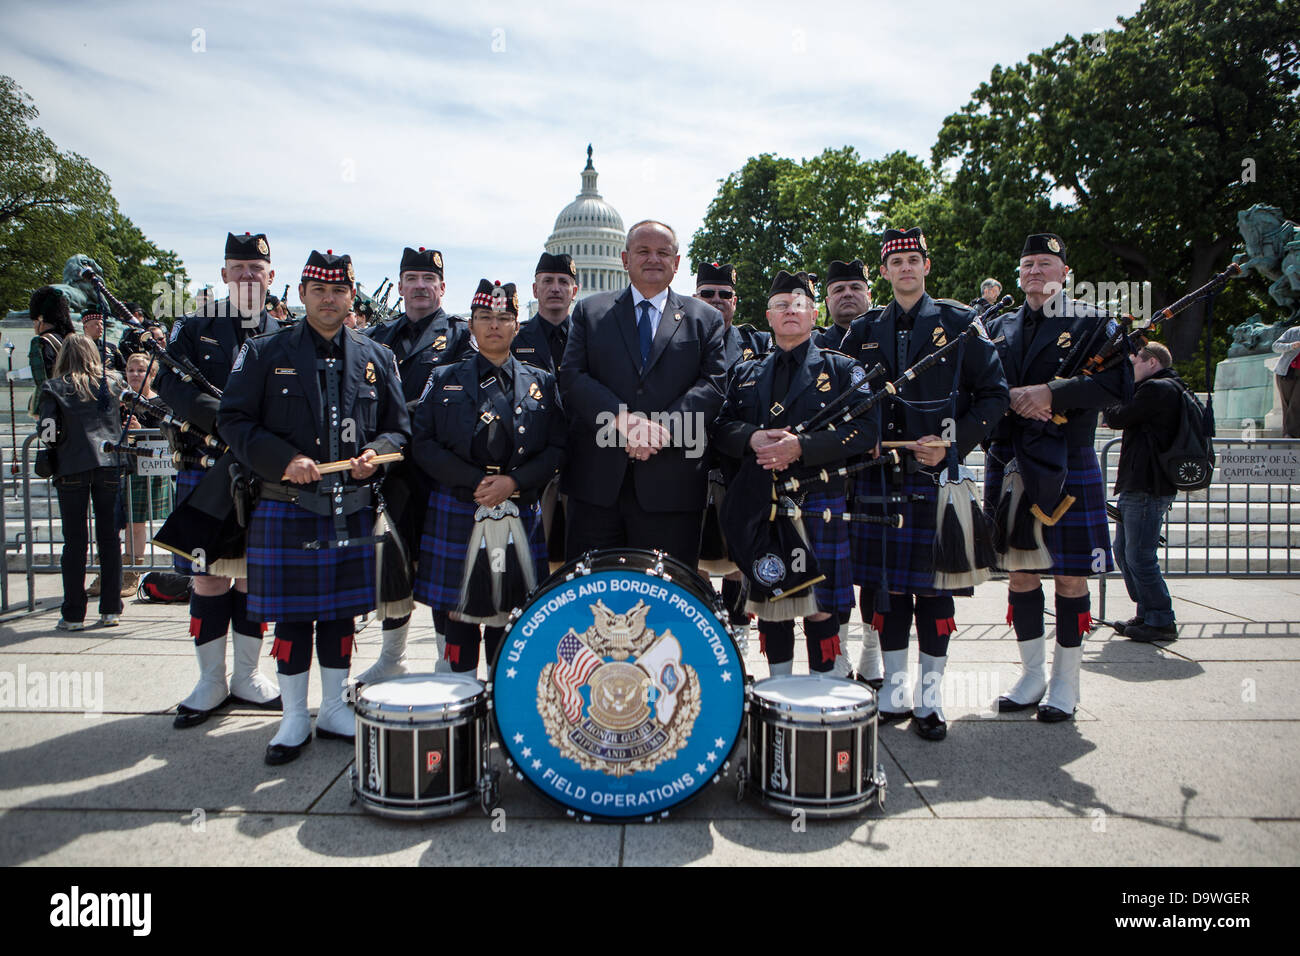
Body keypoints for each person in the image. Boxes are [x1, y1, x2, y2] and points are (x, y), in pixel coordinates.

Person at [219, 249, 410, 765]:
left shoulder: (377, 358)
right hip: (288, 503)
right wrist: (285, 459)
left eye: (339, 290)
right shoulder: (262, 352)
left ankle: (332, 708)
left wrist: (379, 454)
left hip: (349, 504)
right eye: (319, 290)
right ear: (302, 293)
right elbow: (234, 422)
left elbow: (399, 427)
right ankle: (294, 718)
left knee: (341, 615)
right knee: (293, 617)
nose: (330, 299)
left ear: (352, 296)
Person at [839, 227, 1008, 740]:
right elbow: (846, 397)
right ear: (885, 272)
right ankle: (893, 691)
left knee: (936, 596)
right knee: (883, 590)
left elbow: (993, 396)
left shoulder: (960, 324)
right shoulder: (863, 330)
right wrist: (859, 437)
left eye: (914, 259)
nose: (906, 268)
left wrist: (952, 443)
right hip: (877, 477)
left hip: (936, 478)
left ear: (926, 266)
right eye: (897, 262)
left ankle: (931, 700)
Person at [984, 233, 1134, 721]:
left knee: (1071, 578)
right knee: (1021, 573)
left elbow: (1117, 384)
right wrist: (1004, 399)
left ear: (1065, 273)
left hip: (1069, 461)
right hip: (1010, 460)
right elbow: (982, 386)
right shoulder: (998, 325)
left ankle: (1066, 683)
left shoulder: (1093, 323)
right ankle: (1031, 676)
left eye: (1045, 264)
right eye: (1027, 264)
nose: (1034, 272)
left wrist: (1053, 393)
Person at [714, 270, 878, 675]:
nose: (791, 312)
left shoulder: (842, 370)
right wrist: (752, 438)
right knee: (774, 605)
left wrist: (801, 447)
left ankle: (824, 689)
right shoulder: (746, 373)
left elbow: (865, 430)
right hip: (764, 504)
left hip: (817, 498)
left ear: (814, 314)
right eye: (782, 306)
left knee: (822, 609)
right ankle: (779, 690)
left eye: (799, 305)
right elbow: (719, 427)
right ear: (768, 316)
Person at [155, 231, 284, 729]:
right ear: (225, 273)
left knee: (252, 574)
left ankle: (247, 677)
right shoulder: (194, 326)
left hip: (257, 472)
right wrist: (225, 419)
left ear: (270, 277)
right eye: (240, 267)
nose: (249, 275)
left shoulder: (282, 332)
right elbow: (169, 383)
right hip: (205, 466)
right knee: (208, 576)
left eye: (258, 269)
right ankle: (210, 680)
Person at [412, 280, 566, 672]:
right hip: (461, 502)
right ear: (471, 326)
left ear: (517, 325)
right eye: (485, 318)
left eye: (503, 318)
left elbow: (557, 447)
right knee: (459, 614)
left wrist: (513, 482)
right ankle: (462, 695)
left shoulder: (541, 382)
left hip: (518, 505)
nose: (494, 326)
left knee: (511, 611)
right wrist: (473, 481)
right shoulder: (444, 377)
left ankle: (501, 699)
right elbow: (423, 442)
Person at [558, 220, 727, 566]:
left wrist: (659, 430)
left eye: (663, 253)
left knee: (667, 604)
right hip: (597, 489)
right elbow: (573, 377)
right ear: (624, 258)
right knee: (593, 601)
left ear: (677, 263)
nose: (653, 259)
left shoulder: (705, 319)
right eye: (643, 251)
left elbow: (713, 385)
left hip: (673, 487)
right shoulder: (591, 313)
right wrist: (623, 421)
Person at [357, 246, 472, 684]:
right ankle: (392, 657)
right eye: (412, 278)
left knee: (444, 570)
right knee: (393, 566)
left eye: (429, 279)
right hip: (390, 472)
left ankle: (445, 661)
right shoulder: (376, 338)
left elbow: (460, 399)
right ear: (401, 284)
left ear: (442, 288)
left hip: (440, 471)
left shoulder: (461, 335)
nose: (421, 286)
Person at [694, 261, 770, 637]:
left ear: (735, 302)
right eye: (707, 293)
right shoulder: (678, 339)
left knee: (740, 556)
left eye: (725, 295)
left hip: (741, 466)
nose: (716, 301)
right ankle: (708, 635)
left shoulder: (757, 344)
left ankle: (738, 639)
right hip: (691, 466)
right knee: (696, 558)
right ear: (695, 298)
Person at [36, 335, 126, 630]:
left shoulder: (54, 387)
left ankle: (73, 613)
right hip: (108, 463)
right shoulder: (112, 383)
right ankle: (111, 608)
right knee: (109, 539)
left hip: (72, 465)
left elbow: (48, 432)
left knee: (74, 542)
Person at [1102, 341, 1182, 642]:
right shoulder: (1165, 388)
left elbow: (1117, 417)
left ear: (1151, 363)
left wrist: (1107, 392)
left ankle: (1161, 618)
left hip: (1148, 485)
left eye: (1134, 363)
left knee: (1139, 555)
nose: (1130, 370)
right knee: (1124, 552)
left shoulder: (1158, 389)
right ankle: (1147, 612)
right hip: (1144, 483)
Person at [512, 252, 578, 568]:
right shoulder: (515, 339)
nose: (555, 288)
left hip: (580, 464)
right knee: (528, 562)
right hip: (530, 464)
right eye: (547, 281)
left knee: (576, 558)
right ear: (535, 288)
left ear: (574, 291)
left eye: (563, 281)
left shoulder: (591, 338)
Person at [120, 352, 174, 593]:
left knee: (138, 522)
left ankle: (133, 573)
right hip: (123, 466)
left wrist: (141, 429)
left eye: (140, 370)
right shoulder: (119, 400)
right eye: (131, 370)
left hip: (150, 467)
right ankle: (118, 572)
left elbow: (166, 433)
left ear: (151, 374)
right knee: (126, 523)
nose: (135, 374)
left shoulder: (161, 403)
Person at [27, 286, 75, 406]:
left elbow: (42, 381)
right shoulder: (71, 341)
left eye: (34, 322)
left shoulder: (40, 343)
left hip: (52, 404)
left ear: (40, 318)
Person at [815, 258, 874, 352]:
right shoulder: (814, 344)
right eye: (839, 290)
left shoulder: (886, 336)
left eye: (855, 288)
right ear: (827, 301)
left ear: (869, 296)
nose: (847, 294)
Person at [1271, 325, 1300, 438]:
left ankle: (1292, 434)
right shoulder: (1293, 332)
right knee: (1287, 404)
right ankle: (1288, 434)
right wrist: (1291, 346)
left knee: (1296, 403)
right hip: (1286, 372)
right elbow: (1275, 346)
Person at [80, 309, 126, 374]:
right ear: (85, 327)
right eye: (96, 324)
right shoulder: (77, 347)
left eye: (101, 324)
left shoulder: (111, 348)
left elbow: (124, 369)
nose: (101, 327)